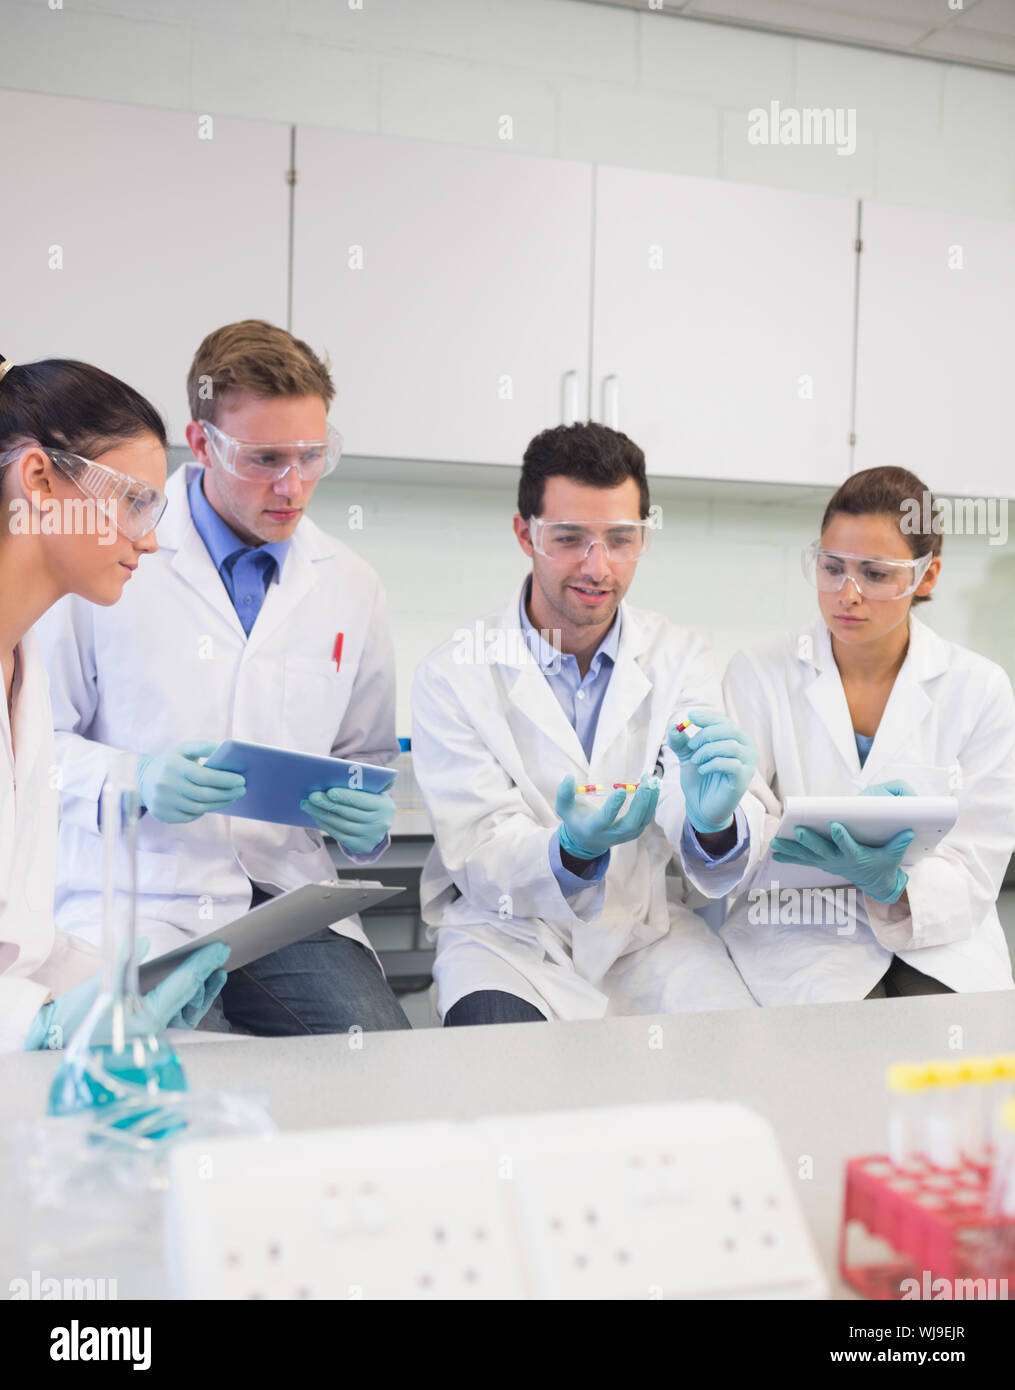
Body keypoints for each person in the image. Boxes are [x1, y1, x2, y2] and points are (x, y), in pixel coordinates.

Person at [34, 322, 410, 1035]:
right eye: (264, 458)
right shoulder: (107, 554)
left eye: (311, 456)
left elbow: (365, 760)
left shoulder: (351, 584)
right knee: (138, 1064)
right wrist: (138, 780)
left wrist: (365, 826)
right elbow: (35, 746)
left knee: (378, 1057)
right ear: (202, 443)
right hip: (139, 895)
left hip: (286, 902)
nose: (292, 486)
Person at [412, 421, 764, 1025]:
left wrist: (712, 822)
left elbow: (684, 785)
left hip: (645, 937)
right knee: (502, 1061)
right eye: (570, 538)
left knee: (736, 1052)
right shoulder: (454, 673)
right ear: (525, 533)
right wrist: (569, 852)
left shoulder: (679, 657)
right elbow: (478, 848)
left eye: (621, 539)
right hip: (509, 941)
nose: (598, 567)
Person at [0, 353, 229, 1052]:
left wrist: (121, 989)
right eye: (133, 502)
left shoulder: (25, 666)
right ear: (39, 479)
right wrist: (35, 1023)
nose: (150, 541)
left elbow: (21, 944)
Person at [720, 466, 1015, 1005]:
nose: (847, 594)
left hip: (940, 935)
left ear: (927, 576)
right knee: (850, 1044)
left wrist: (894, 885)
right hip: (801, 928)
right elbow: (743, 832)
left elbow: (978, 860)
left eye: (875, 574)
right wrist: (718, 819)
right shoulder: (760, 672)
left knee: (951, 1042)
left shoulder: (979, 688)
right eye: (832, 567)